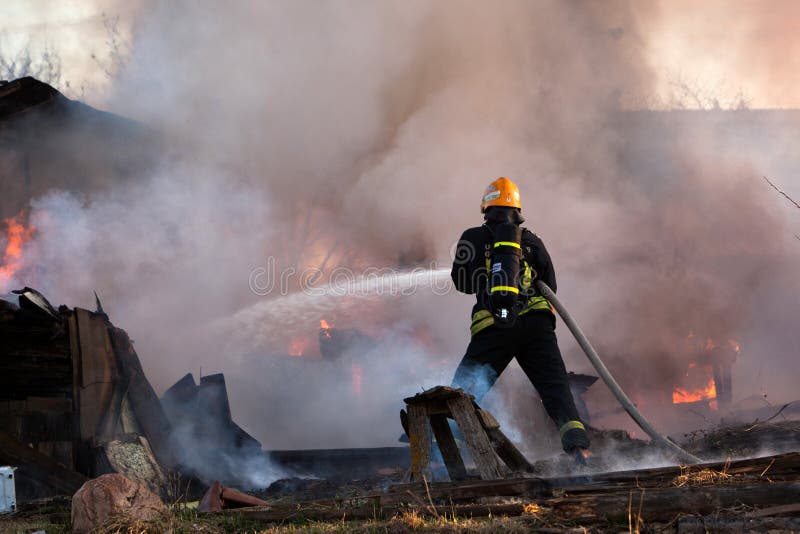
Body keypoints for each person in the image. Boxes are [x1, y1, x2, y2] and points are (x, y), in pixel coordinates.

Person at [449, 176, 590, 461]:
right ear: (518, 210)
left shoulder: (474, 237)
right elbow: (551, 286)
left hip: (493, 326)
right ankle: (579, 450)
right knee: (556, 389)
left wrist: (485, 279)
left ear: (486, 208)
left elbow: (461, 282)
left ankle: (437, 452)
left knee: (464, 391)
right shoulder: (533, 242)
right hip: (537, 327)